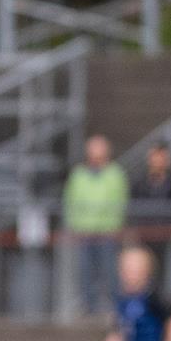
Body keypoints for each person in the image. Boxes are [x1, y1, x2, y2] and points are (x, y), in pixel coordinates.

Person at [63, 135, 127, 316]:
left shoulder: (115, 174)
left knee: (110, 271)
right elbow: (70, 200)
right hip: (84, 231)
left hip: (108, 231)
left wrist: (115, 225)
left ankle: (116, 307)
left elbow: (120, 200)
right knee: (85, 272)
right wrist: (74, 224)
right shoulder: (79, 174)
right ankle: (88, 307)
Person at [129, 142, 171, 278]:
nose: (157, 160)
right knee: (143, 271)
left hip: (164, 235)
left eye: (161, 157)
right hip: (144, 234)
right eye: (155, 156)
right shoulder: (140, 182)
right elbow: (133, 204)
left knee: (162, 273)